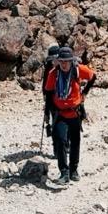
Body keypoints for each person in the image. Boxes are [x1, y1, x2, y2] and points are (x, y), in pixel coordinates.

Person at [42, 46, 96, 184]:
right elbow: (48, 93)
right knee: (60, 141)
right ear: (58, 61)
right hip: (59, 113)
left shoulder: (78, 70)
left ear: (71, 61)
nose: (64, 64)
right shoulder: (53, 73)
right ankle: (64, 172)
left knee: (75, 142)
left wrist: (84, 93)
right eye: (62, 61)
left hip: (75, 113)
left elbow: (92, 76)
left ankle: (73, 170)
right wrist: (47, 113)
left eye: (67, 61)